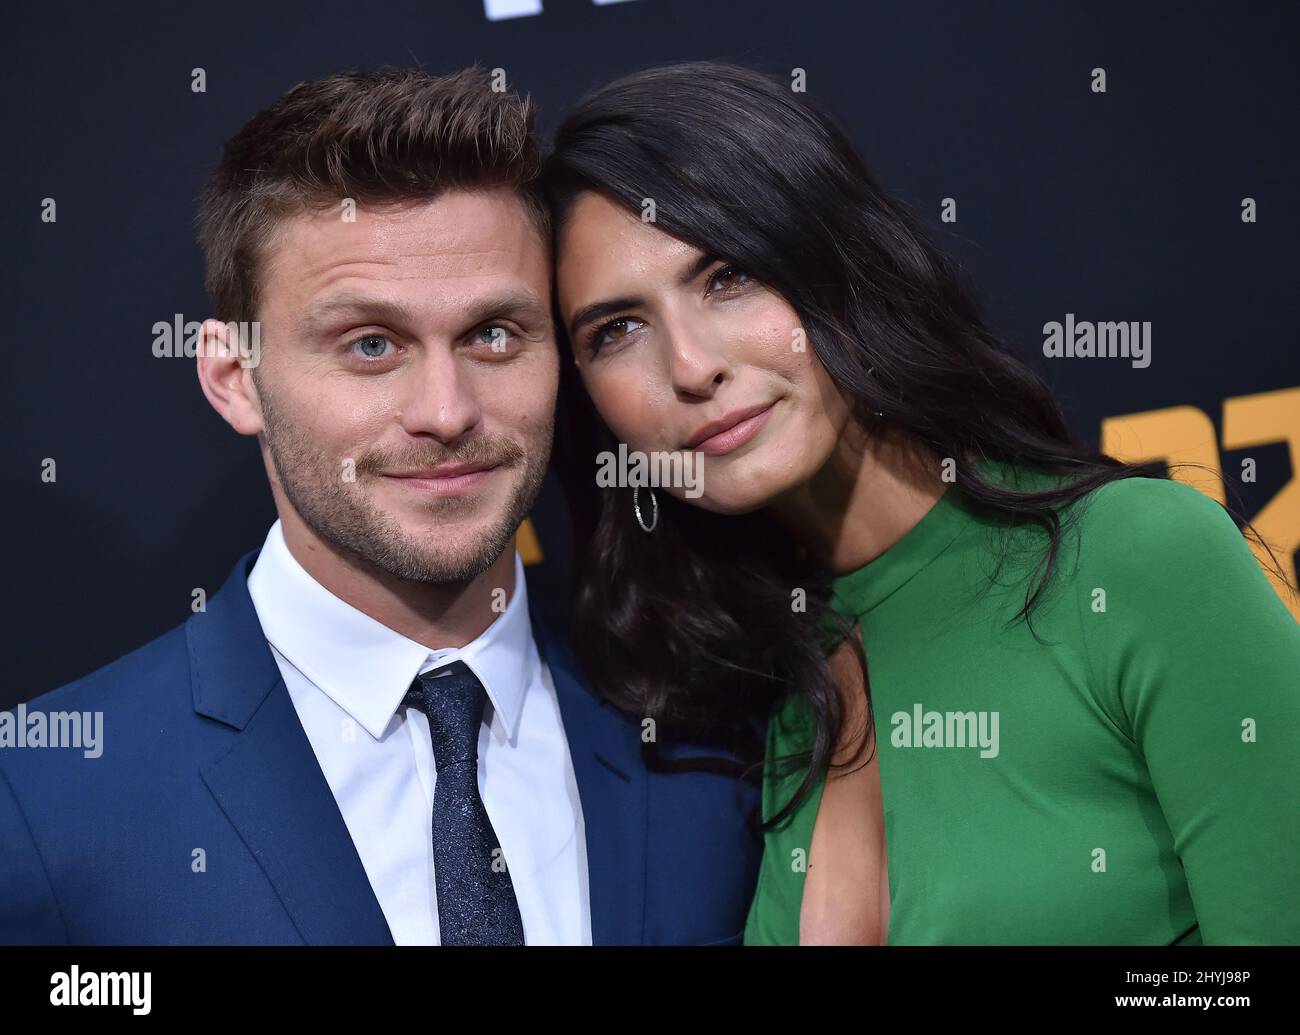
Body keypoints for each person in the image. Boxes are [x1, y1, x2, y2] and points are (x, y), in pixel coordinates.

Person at [542, 61, 1300, 945]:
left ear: (833, 260)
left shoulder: (1137, 559)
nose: (690, 364)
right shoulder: (724, 683)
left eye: (728, 276)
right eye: (617, 330)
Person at [0, 67, 761, 946]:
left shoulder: (712, 730)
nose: (446, 410)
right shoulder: (44, 798)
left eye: (493, 334)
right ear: (232, 376)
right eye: (370, 344)